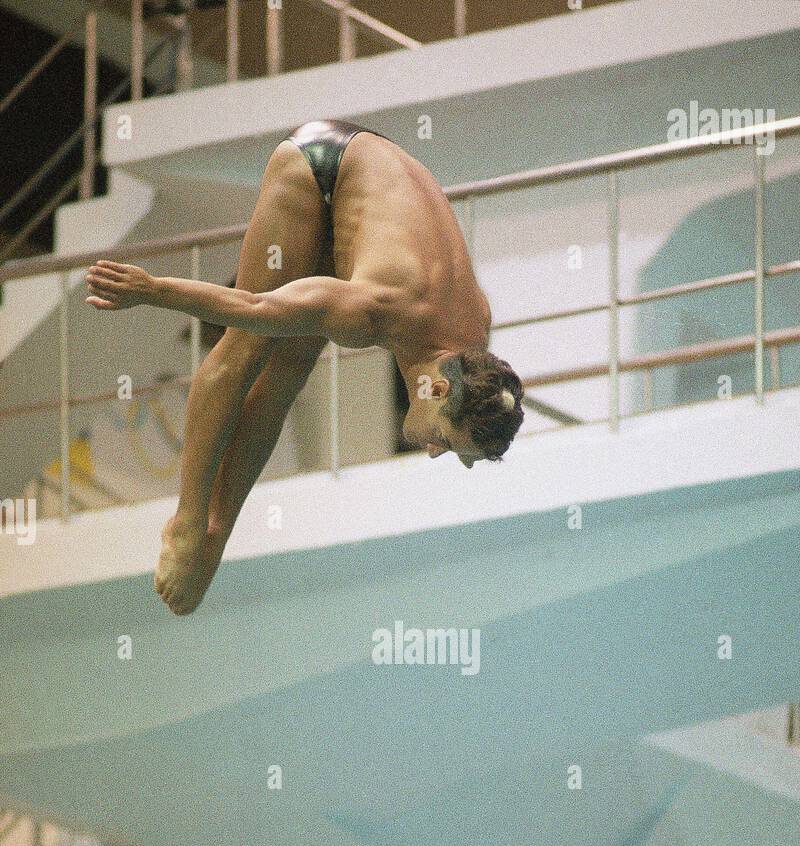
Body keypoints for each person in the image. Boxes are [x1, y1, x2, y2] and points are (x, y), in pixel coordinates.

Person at [86, 119, 524, 614]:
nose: (433, 450)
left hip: (380, 189)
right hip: (322, 165)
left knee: (289, 373)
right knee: (246, 349)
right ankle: (188, 521)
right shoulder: (374, 311)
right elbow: (250, 306)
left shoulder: (474, 352)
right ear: (438, 390)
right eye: (447, 441)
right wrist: (152, 290)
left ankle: (216, 531)